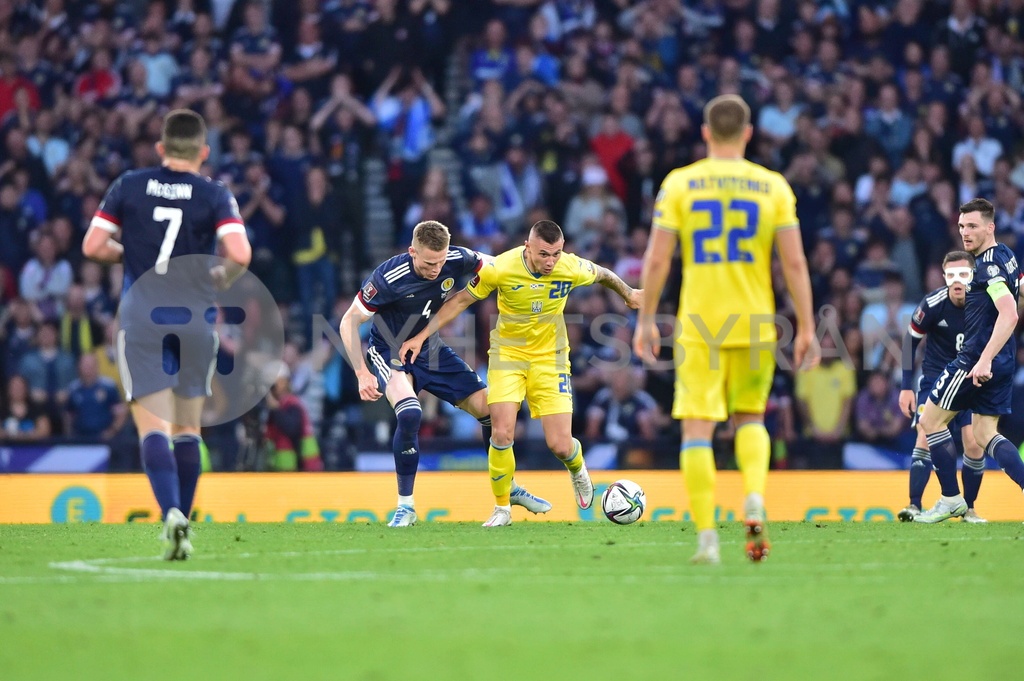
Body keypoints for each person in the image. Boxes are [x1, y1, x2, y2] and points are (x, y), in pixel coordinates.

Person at [632, 94, 819, 564]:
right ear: (750, 134)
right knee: (751, 418)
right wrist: (808, 325)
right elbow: (794, 262)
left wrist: (646, 317)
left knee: (697, 430)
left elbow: (658, 258)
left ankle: (707, 539)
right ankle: (753, 496)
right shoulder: (772, 186)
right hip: (757, 321)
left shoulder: (681, 184)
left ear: (706, 132)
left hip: (700, 322)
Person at [82, 109, 252, 560]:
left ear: (160, 148)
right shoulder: (214, 193)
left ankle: (172, 514)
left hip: (143, 316)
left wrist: (130, 254)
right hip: (196, 317)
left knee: (151, 426)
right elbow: (239, 252)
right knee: (188, 427)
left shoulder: (129, 185)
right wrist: (217, 280)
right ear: (204, 151)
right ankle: (186, 523)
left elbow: (92, 246)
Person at [399, 220, 643, 527]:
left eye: (556, 253)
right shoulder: (500, 268)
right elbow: (461, 299)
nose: (551, 261)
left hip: (551, 358)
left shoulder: (570, 266)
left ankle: (578, 469)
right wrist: (421, 336)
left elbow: (604, 275)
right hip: (508, 356)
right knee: (501, 432)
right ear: (528, 247)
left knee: (560, 445)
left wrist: (629, 293)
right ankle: (502, 509)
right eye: (544, 254)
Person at [339, 220, 551, 527]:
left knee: (493, 412)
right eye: (427, 263)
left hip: (430, 349)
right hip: (390, 351)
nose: (436, 269)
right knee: (410, 413)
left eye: (440, 261)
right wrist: (361, 372)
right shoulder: (388, 277)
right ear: (412, 251)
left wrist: (532, 273)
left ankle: (509, 487)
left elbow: (496, 265)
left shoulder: (456, 258)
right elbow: (349, 320)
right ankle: (405, 507)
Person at [914, 198, 1024, 523]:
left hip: (975, 360)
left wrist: (984, 359)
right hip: (1004, 358)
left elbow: (1010, 312)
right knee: (985, 433)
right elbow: (1018, 291)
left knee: (930, 422)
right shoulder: (1005, 254)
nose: (965, 232)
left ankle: (950, 498)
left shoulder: (987, 266)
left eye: (973, 226)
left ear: (990, 227)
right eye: (962, 226)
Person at [897, 250, 987, 523]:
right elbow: (909, 341)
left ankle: (968, 508)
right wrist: (905, 387)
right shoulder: (933, 304)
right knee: (924, 432)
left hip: (970, 383)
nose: (957, 281)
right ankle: (914, 505)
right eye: (952, 275)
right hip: (937, 380)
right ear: (945, 276)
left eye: (964, 274)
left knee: (973, 443)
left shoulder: (985, 303)